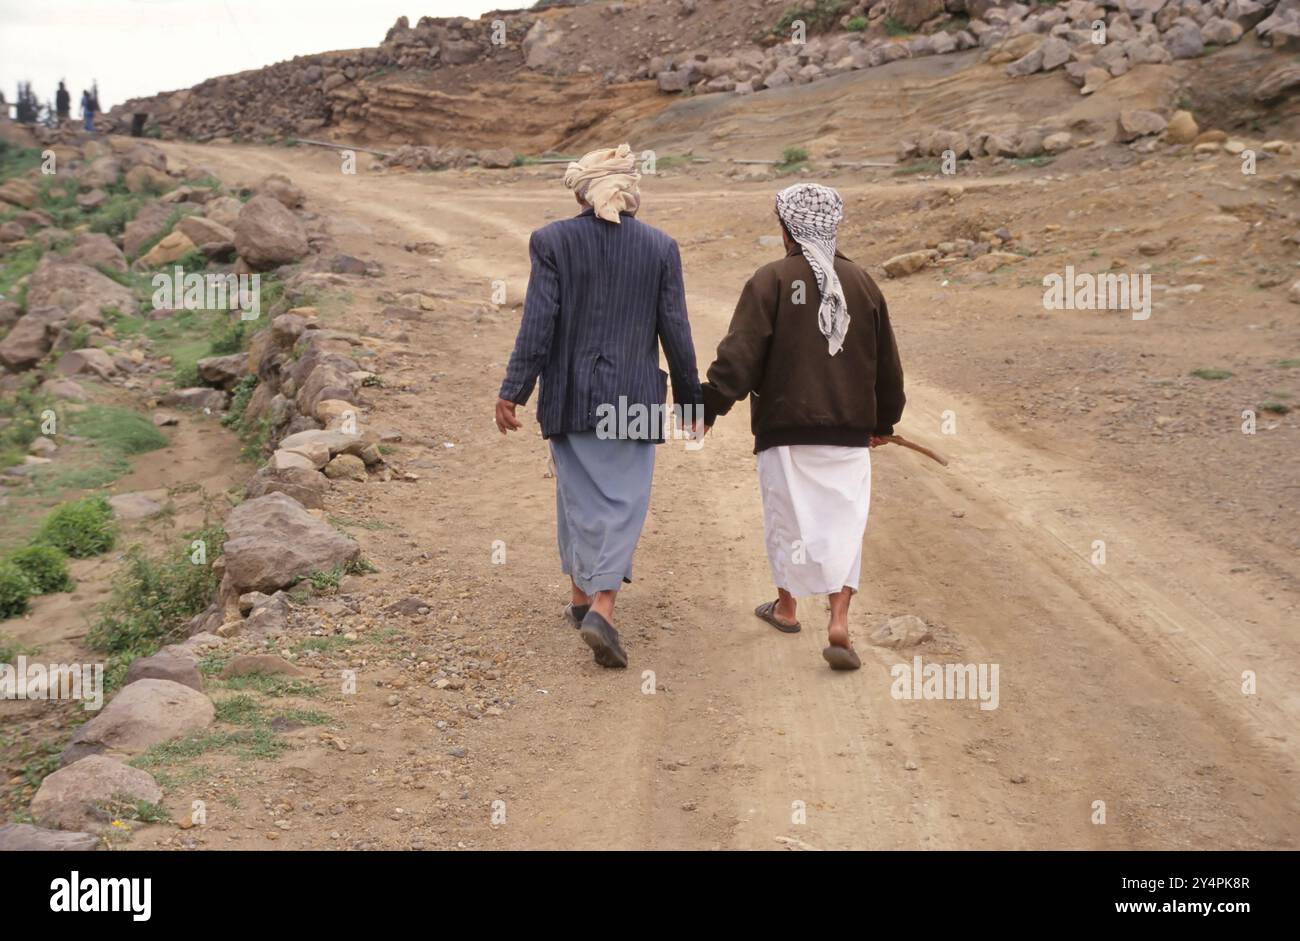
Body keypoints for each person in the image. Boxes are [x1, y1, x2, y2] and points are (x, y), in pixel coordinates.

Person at [495, 143, 702, 669]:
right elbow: (675, 329)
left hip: (572, 394)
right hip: (634, 397)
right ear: (630, 189)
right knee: (623, 502)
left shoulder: (552, 241)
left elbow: (537, 323)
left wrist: (514, 389)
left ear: (584, 190)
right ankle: (600, 606)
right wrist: (690, 400)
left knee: (577, 498)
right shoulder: (660, 247)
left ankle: (582, 599)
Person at [701, 183, 905, 670]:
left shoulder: (770, 279)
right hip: (850, 431)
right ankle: (838, 620)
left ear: (785, 226)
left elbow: (740, 354)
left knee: (786, 521)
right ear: (833, 224)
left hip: (785, 428)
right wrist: (883, 421)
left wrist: (709, 404)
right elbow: (888, 367)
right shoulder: (863, 283)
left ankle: (787, 608)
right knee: (843, 525)